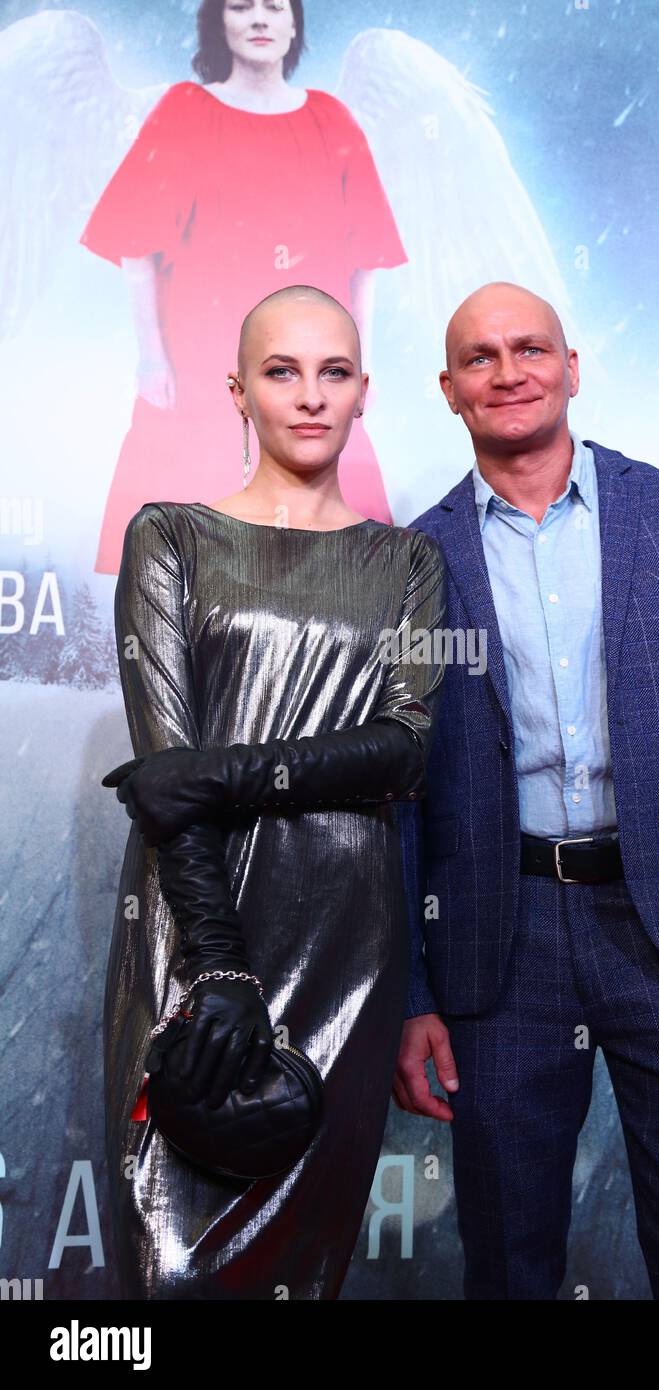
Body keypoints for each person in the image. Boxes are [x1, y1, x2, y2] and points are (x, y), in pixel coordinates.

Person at [393, 280, 659, 1301]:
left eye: (530, 348)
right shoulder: (408, 559)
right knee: (506, 1261)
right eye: (481, 357)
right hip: (499, 945)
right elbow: (400, 797)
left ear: (571, 368)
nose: (509, 371)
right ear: (448, 389)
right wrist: (412, 994)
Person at [101, 284, 445, 1300]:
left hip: (348, 943)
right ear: (237, 391)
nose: (308, 397)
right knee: (170, 1261)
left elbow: (405, 750)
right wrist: (217, 970)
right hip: (196, 925)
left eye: (332, 372)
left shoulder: (405, 560)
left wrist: (221, 770)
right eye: (281, 371)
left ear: (362, 393)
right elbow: (164, 784)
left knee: (306, 1265)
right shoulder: (169, 536)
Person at [80, 0, 407, 575]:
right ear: (220, 24)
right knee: (184, 557)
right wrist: (151, 356)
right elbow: (136, 244)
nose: (259, 19)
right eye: (241, 6)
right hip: (200, 362)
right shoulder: (184, 111)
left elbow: (367, 260)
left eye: (274, 6)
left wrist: (362, 363)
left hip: (312, 370)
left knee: (341, 564)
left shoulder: (331, 120)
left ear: (293, 24)